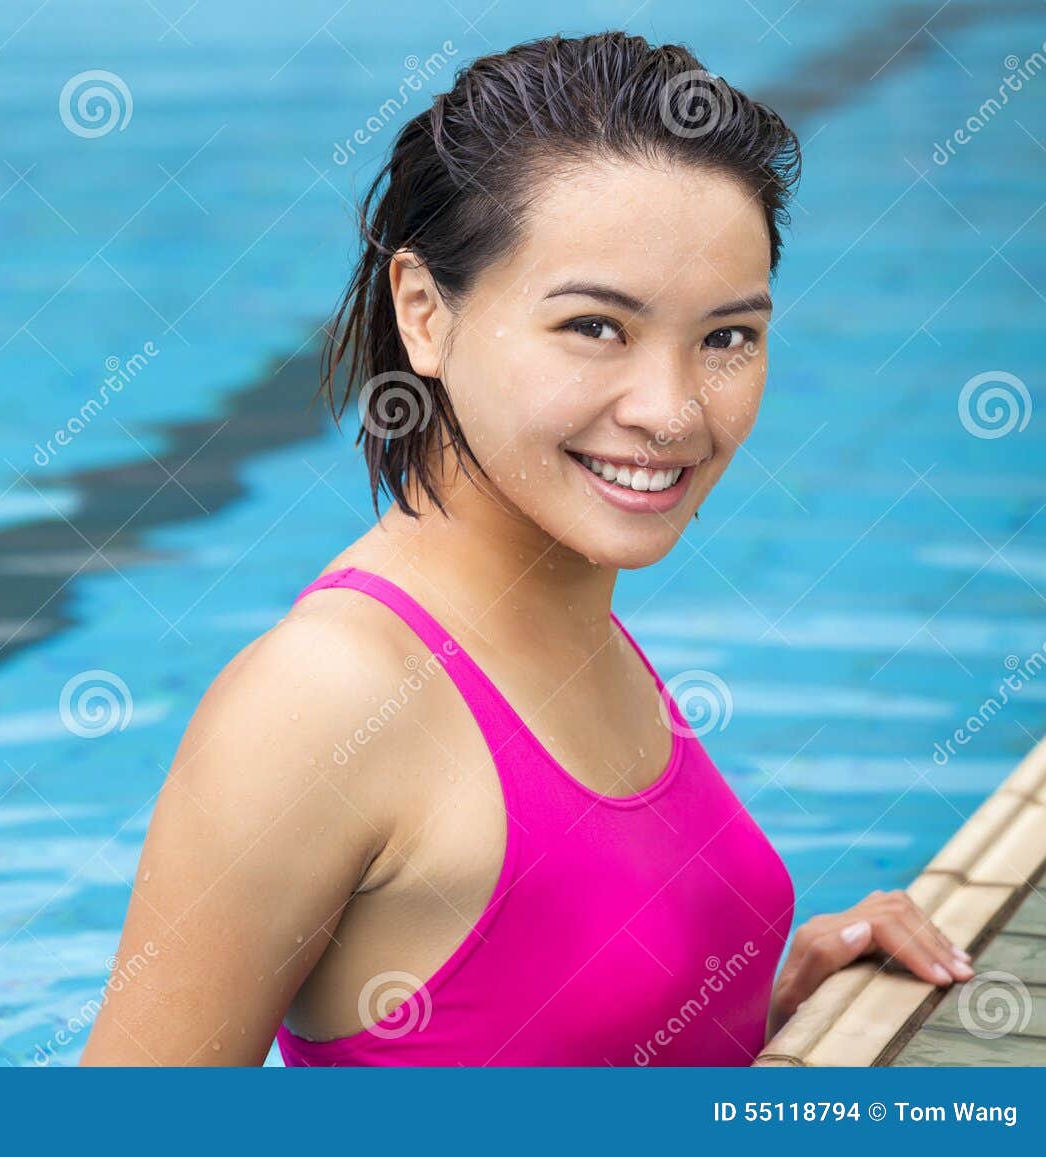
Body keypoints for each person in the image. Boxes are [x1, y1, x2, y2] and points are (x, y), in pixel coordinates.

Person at [80, 30, 973, 1067]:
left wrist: (775, 1015)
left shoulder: (571, 616)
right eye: (595, 326)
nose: (673, 411)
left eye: (726, 336)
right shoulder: (320, 703)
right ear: (423, 313)